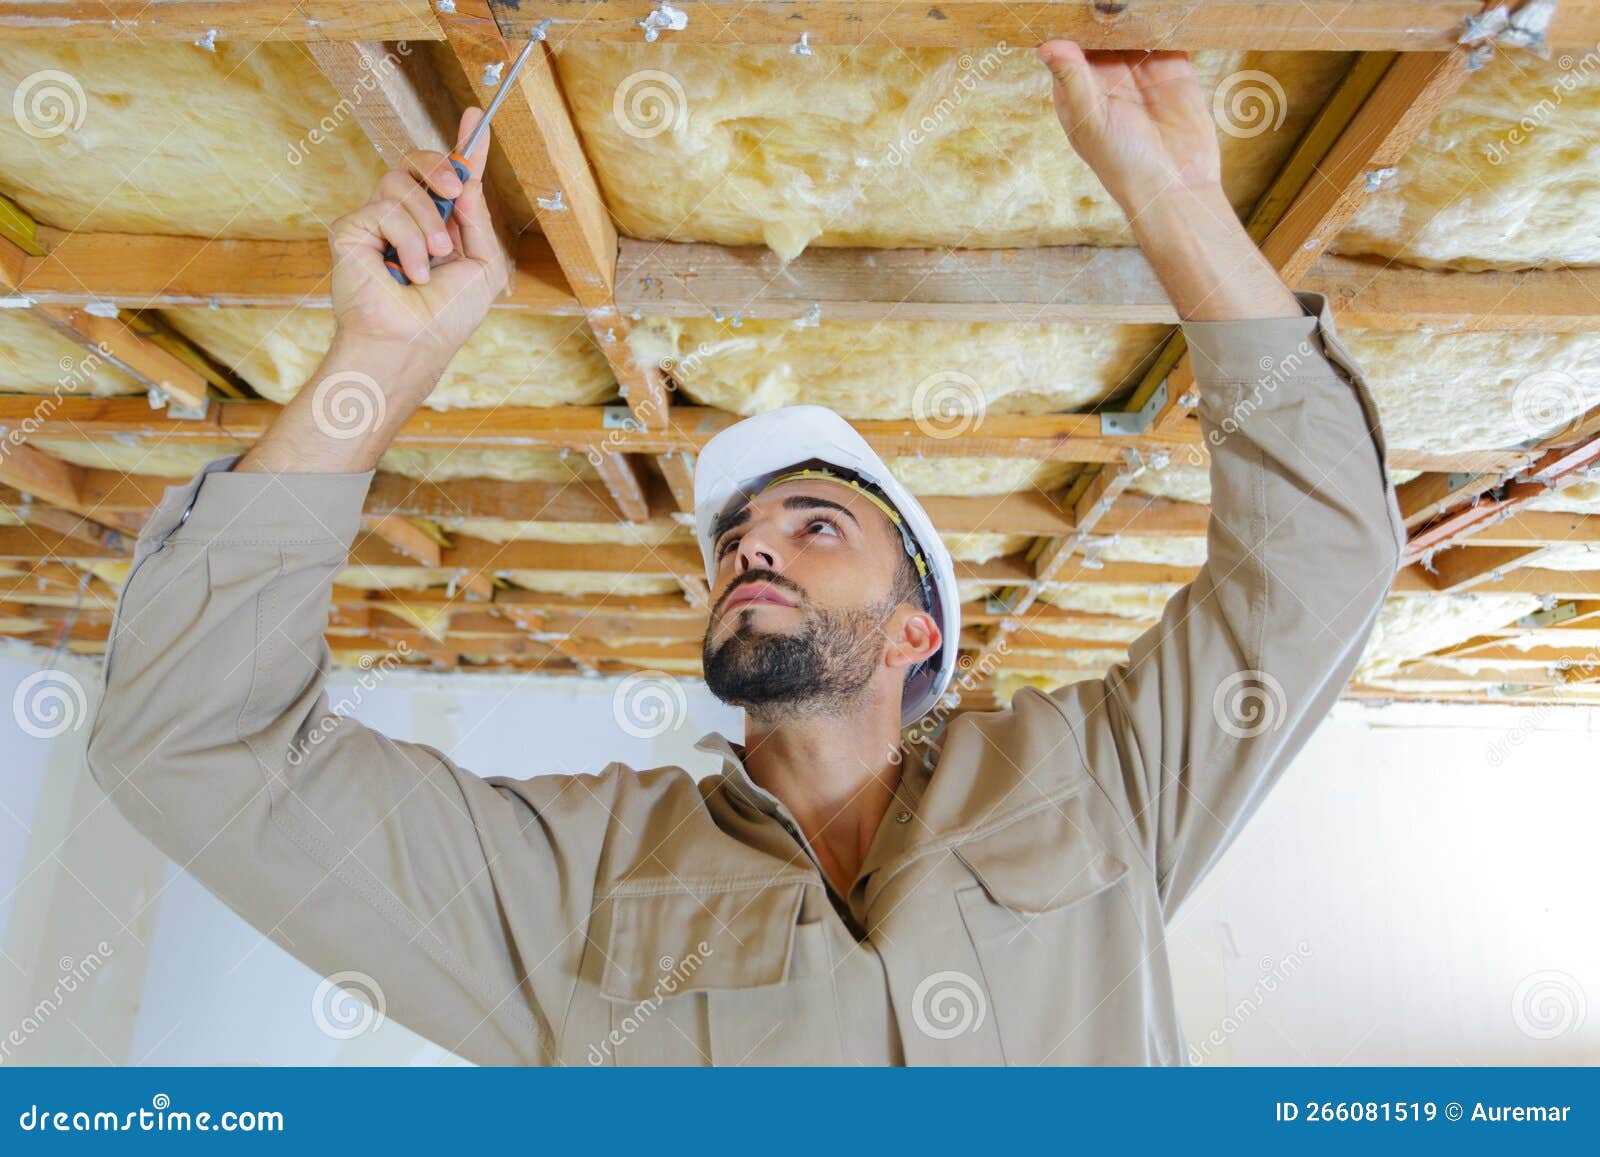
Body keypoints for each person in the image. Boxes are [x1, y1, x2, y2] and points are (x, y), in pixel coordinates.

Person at [86, 42, 1404, 1065]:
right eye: (736, 538)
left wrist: (1175, 198)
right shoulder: (580, 884)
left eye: (812, 526)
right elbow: (197, 744)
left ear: (914, 630)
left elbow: (1324, 555)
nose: (751, 548)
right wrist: (384, 360)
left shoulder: (1097, 780)